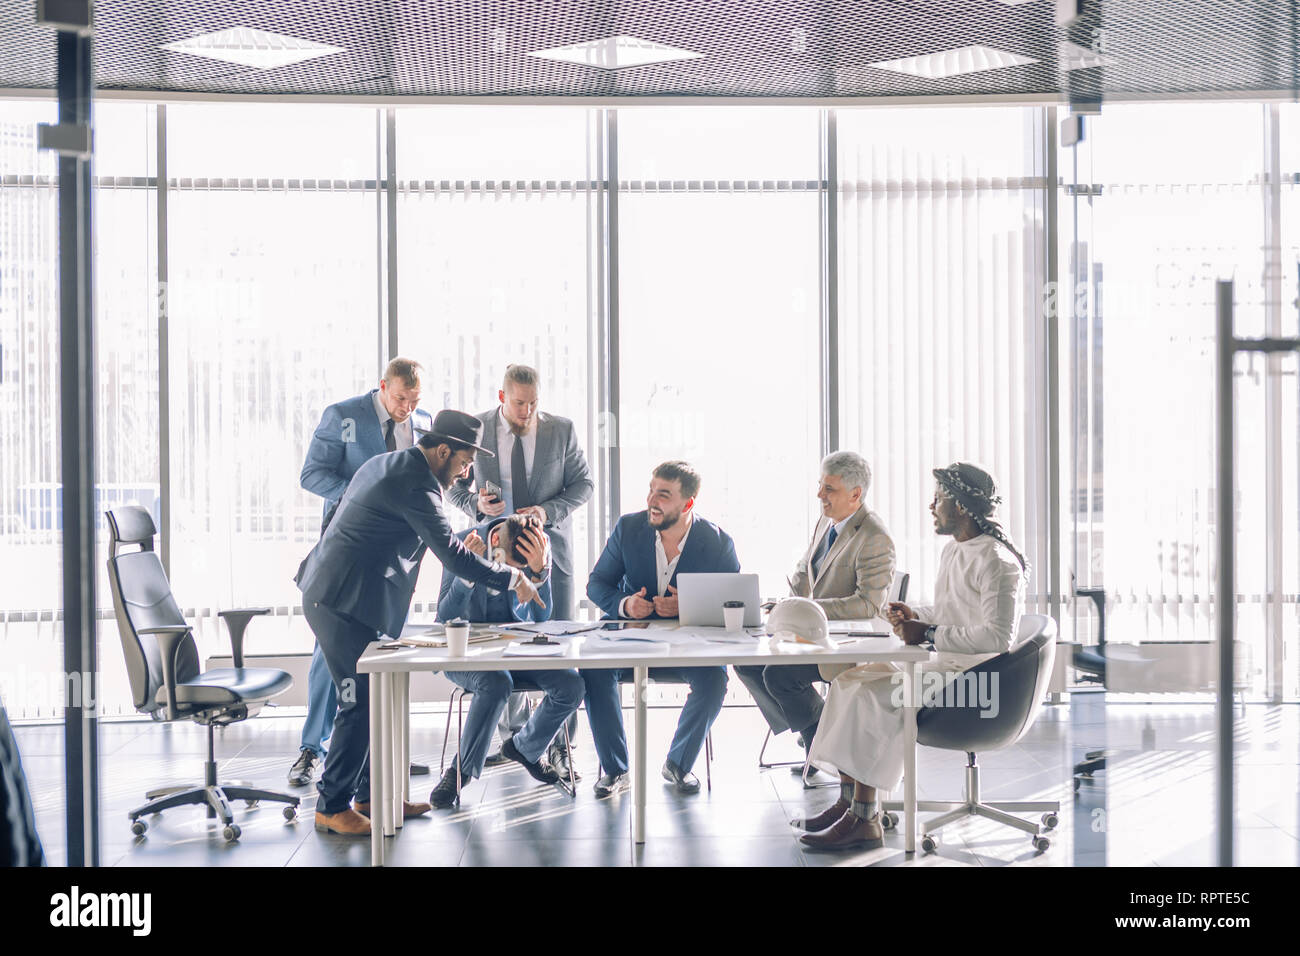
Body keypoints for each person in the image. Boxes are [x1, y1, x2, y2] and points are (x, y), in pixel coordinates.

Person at [296, 410, 543, 836]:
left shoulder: (389, 463)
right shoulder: (417, 485)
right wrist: (513, 576)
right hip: (339, 601)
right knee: (360, 703)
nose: (466, 473)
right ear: (443, 451)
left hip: (352, 598)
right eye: (465, 462)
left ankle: (370, 795)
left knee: (374, 697)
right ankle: (331, 805)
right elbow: (453, 555)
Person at [799, 462, 1028, 850]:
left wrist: (931, 633)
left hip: (978, 679)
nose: (931, 505)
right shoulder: (955, 551)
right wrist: (916, 615)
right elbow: (956, 614)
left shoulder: (998, 562)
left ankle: (865, 818)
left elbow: (997, 637)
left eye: (938, 499)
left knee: (874, 695)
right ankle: (848, 800)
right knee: (850, 680)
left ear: (960, 507)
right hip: (946, 664)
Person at [289, 358, 433, 788]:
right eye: (400, 398)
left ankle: (378, 756)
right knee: (329, 656)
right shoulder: (344, 417)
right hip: (347, 555)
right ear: (382, 386)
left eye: (415, 400)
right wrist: (357, 495)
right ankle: (311, 749)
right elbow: (312, 474)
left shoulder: (423, 423)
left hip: (394, 559)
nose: (407, 407)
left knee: (386, 650)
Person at [446, 364, 594, 775]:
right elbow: (453, 485)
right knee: (502, 639)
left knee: (560, 645)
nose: (526, 412)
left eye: (533, 403)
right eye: (518, 404)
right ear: (501, 398)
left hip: (547, 553)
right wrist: (475, 506)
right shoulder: (475, 428)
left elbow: (584, 485)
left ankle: (562, 745)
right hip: (494, 550)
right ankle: (515, 737)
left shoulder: (561, 430)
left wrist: (546, 512)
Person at [582, 461, 737, 797]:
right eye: (651, 490)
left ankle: (679, 764)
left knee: (715, 680)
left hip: (688, 645)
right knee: (594, 672)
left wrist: (689, 606)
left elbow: (736, 602)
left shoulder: (717, 542)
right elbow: (596, 584)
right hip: (631, 640)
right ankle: (615, 770)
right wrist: (625, 604)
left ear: (688, 504)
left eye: (663, 495)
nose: (652, 500)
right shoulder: (628, 528)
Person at [734, 452, 895, 773]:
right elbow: (804, 572)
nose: (820, 495)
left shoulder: (874, 538)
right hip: (812, 634)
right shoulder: (827, 521)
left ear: (855, 495)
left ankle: (816, 744)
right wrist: (783, 605)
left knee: (779, 674)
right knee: (746, 659)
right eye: (821, 486)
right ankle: (817, 725)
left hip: (847, 647)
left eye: (829, 489)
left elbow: (868, 605)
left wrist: (805, 610)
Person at [427, 514, 585, 808]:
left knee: (572, 684)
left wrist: (539, 574)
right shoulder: (461, 542)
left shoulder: (535, 548)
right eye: (514, 570)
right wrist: (466, 574)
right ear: (495, 541)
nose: (516, 577)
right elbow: (445, 618)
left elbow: (541, 618)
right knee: (496, 681)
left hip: (518, 650)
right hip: (468, 654)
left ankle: (524, 748)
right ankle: (459, 773)